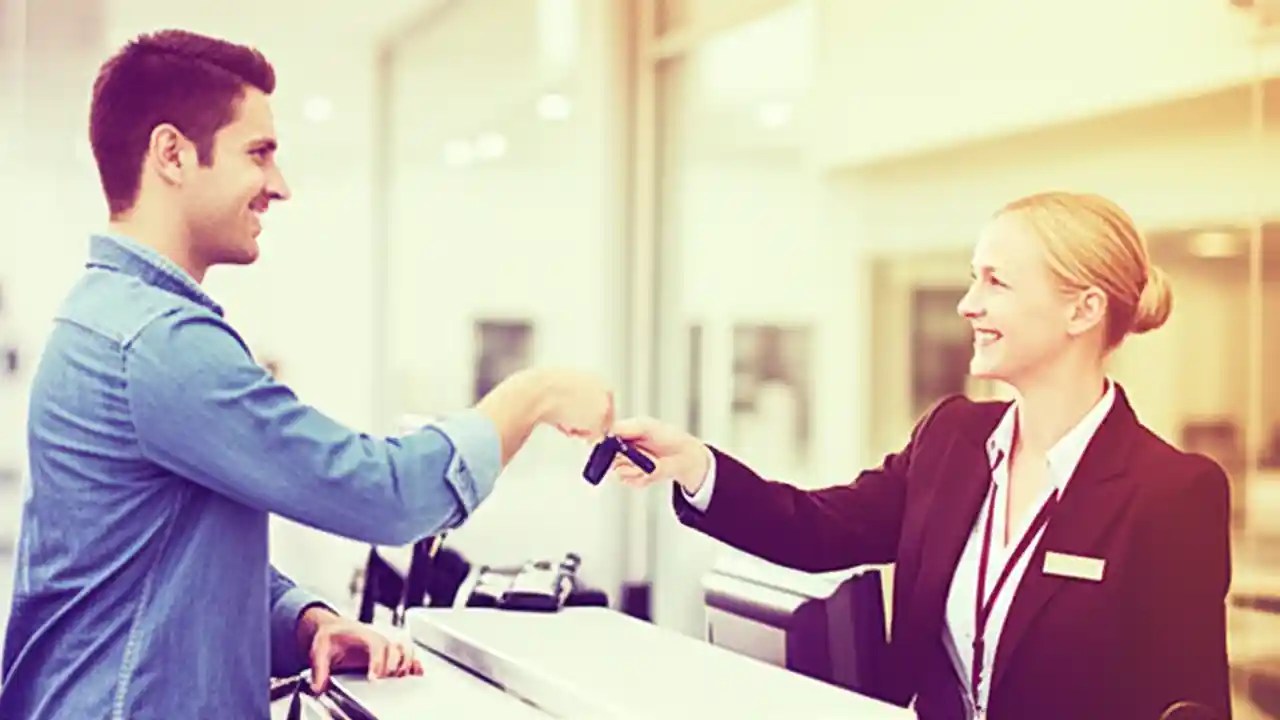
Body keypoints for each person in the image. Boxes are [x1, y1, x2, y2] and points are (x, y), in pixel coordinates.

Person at [0, 29, 613, 719]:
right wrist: (534, 394)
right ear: (171, 154)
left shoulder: (109, 321)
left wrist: (304, 621)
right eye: (258, 153)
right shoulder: (154, 343)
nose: (279, 187)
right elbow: (384, 495)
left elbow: (161, 561)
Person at [610, 192, 1232, 720]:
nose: (968, 304)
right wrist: (694, 465)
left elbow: (1190, 709)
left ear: (1084, 308)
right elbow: (817, 528)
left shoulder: (1171, 493)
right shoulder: (952, 440)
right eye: (973, 277)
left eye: (997, 281)